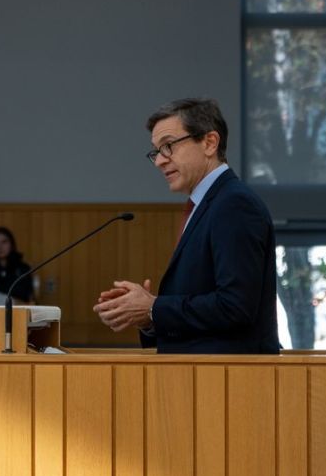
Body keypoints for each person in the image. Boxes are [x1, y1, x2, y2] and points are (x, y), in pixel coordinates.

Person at [95, 98, 279, 353]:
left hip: (229, 381)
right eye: (156, 151)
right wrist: (149, 316)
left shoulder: (234, 204)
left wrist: (153, 307)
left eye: (168, 146)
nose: (160, 160)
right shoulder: (208, 204)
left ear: (209, 143)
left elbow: (235, 307)